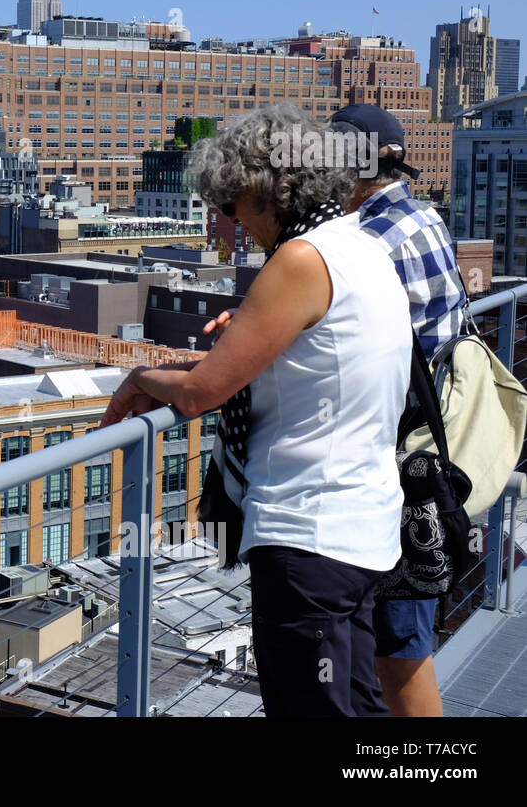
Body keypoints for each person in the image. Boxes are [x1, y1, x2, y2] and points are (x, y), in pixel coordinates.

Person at [100, 103, 412, 716]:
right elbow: (298, 361)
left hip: (308, 541)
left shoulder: (300, 261)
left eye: (231, 203)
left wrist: (142, 377)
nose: (230, 221)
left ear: (265, 192)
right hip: (363, 529)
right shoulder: (359, 245)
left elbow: (199, 394)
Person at [332, 103, 466, 718]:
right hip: (424, 451)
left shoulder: (369, 239)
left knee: (397, 648)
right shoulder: (422, 217)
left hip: (391, 461)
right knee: (399, 643)